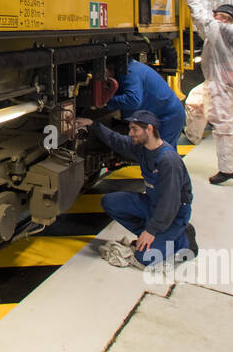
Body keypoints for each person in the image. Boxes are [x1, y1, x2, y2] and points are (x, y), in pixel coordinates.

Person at [79, 109, 196, 267]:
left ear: (149, 129)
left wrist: (151, 231)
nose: (131, 133)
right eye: (130, 129)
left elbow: (170, 202)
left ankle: (184, 240)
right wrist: (93, 125)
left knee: (145, 258)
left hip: (173, 213)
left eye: (135, 129)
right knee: (110, 202)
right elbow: (116, 140)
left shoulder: (168, 161)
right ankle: (153, 236)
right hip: (152, 203)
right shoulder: (143, 148)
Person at [177, 0, 233, 184]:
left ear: (226, 18)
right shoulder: (221, 32)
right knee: (195, 100)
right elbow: (204, 27)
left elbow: (204, 20)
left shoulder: (224, 30)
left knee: (222, 123)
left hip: (223, 83)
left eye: (218, 15)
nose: (214, 17)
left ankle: (229, 169)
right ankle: (192, 136)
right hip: (218, 80)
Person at [107, 57, 186, 145]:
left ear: (111, 67)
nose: (107, 76)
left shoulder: (130, 72)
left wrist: (107, 101)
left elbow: (133, 100)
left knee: (160, 153)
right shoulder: (131, 68)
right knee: (156, 153)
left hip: (168, 118)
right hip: (162, 115)